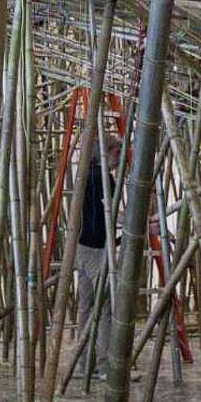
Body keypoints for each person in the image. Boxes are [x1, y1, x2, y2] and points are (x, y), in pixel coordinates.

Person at [76, 134, 120, 379]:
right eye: (117, 152)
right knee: (104, 307)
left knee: (85, 306)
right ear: (107, 152)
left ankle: (84, 364)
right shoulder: (103, 179)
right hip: (95, 249)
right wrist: (141, 223)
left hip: (82, 247)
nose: (119, 158)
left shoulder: (85, 175)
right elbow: (110, 214)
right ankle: (104, 366)